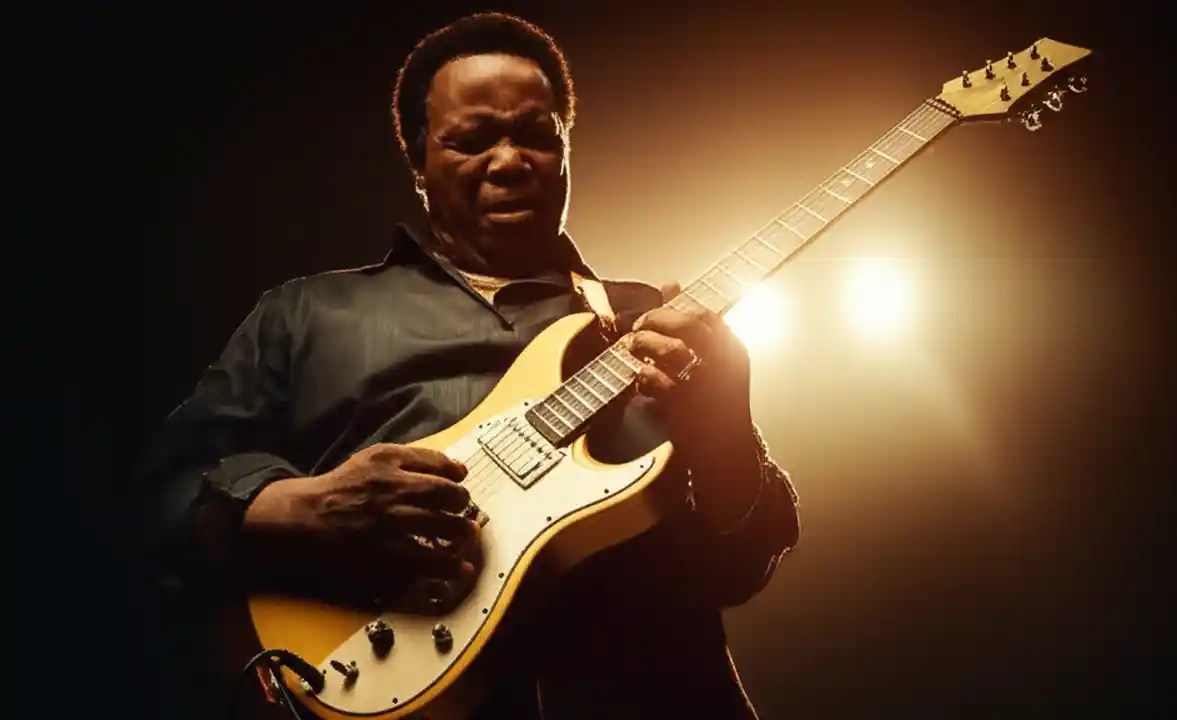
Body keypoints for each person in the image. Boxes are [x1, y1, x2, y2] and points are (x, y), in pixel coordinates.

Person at [135, 12, 800, 720]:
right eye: (473, 140)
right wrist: (304, 505)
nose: (509, 161)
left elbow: (741, 569)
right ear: (419, 163)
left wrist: (729, 432)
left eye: (537, 135)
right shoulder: (305, 314)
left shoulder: (651, 323)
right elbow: (153, 502)